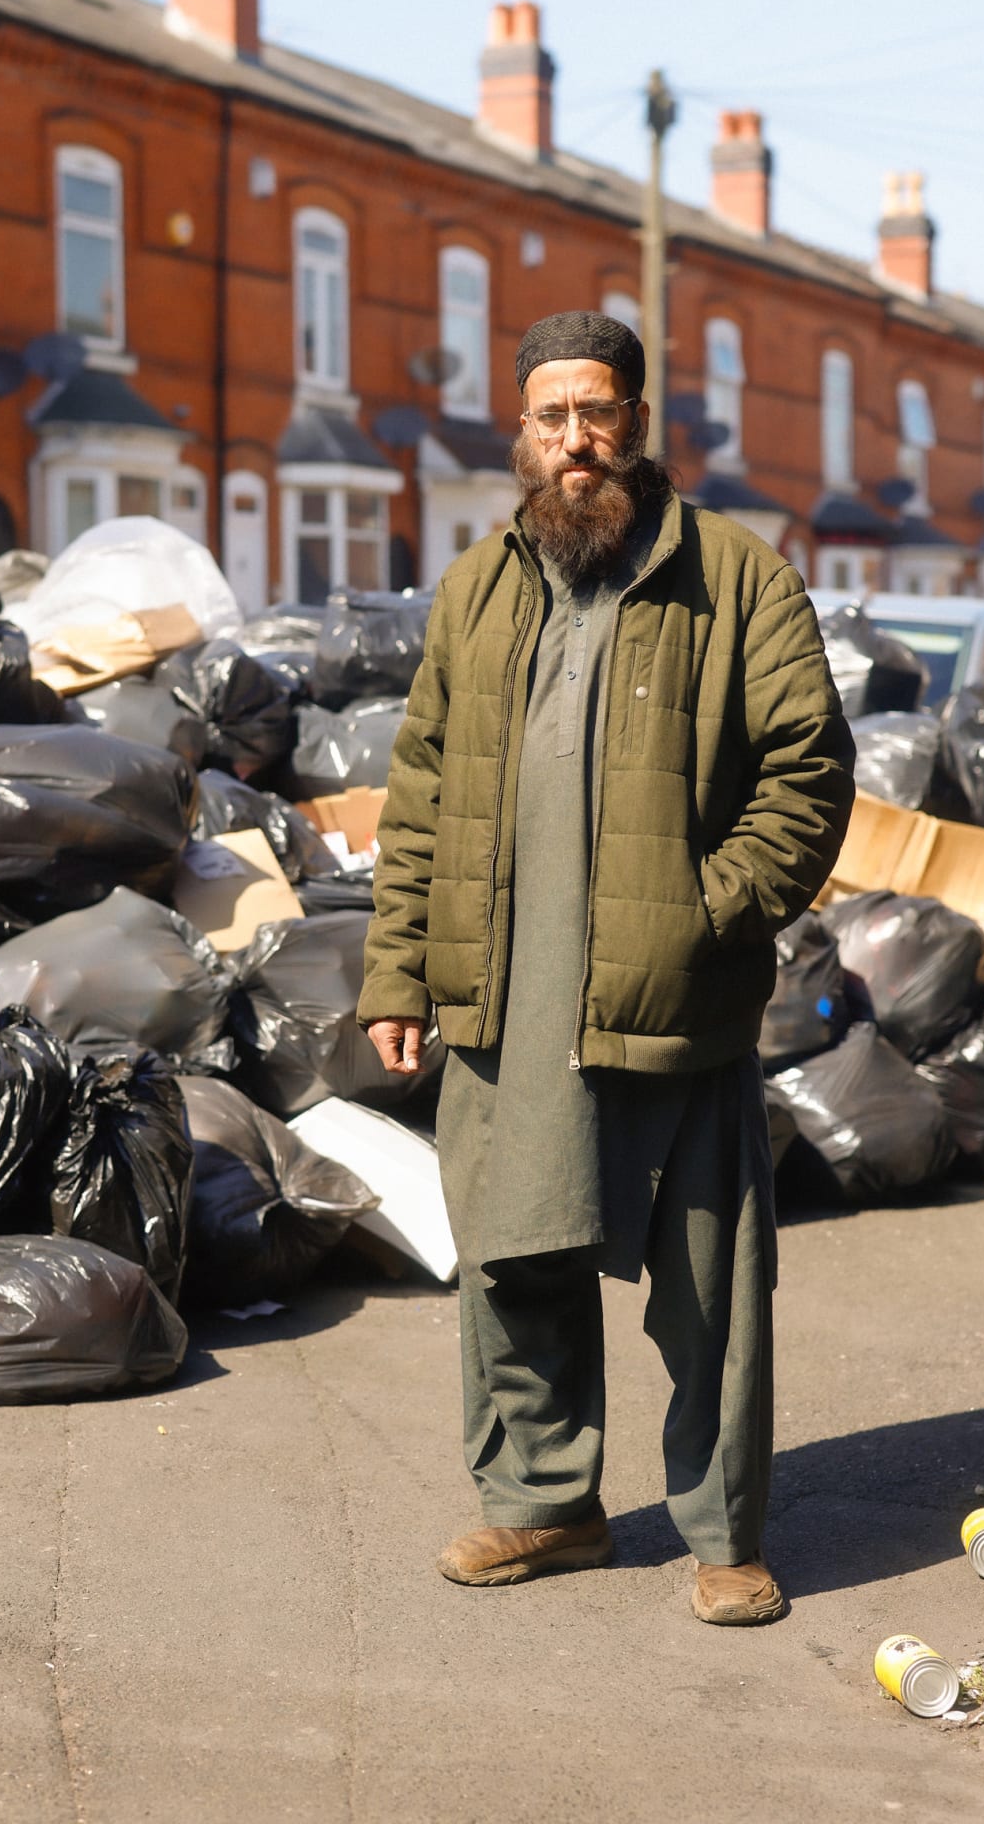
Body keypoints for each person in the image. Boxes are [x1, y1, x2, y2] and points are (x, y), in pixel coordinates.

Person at [359, 309, 855, 1625]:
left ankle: (725, 1534)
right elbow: (420, 797)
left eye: (600, 412)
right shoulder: (477, 588)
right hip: (502, 997)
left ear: (640, 422)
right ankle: (545, 1509)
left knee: (709, 1296)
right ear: (521, 435)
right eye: (550, 417)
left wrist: (709, 910)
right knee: (514, 1263)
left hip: (674, 1005)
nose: (576, 440)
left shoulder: (737, 579)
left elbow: (810, 775)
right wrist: (399, 975)